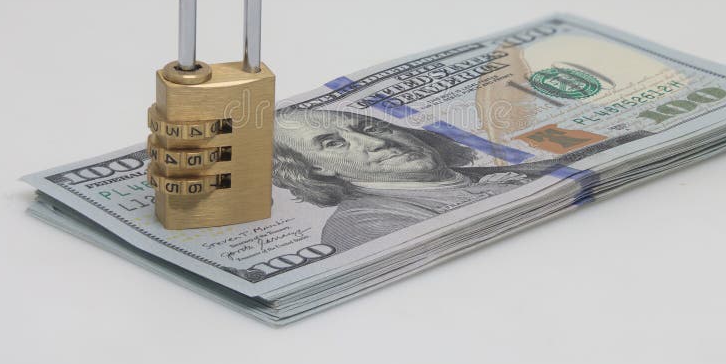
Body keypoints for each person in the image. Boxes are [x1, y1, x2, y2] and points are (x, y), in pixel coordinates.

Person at [273, 108, 651, 251]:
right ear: (318, 169)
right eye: (332, 142)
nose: (373, 141)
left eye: (368, 125)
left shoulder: (505, 174)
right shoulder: (363, 223)